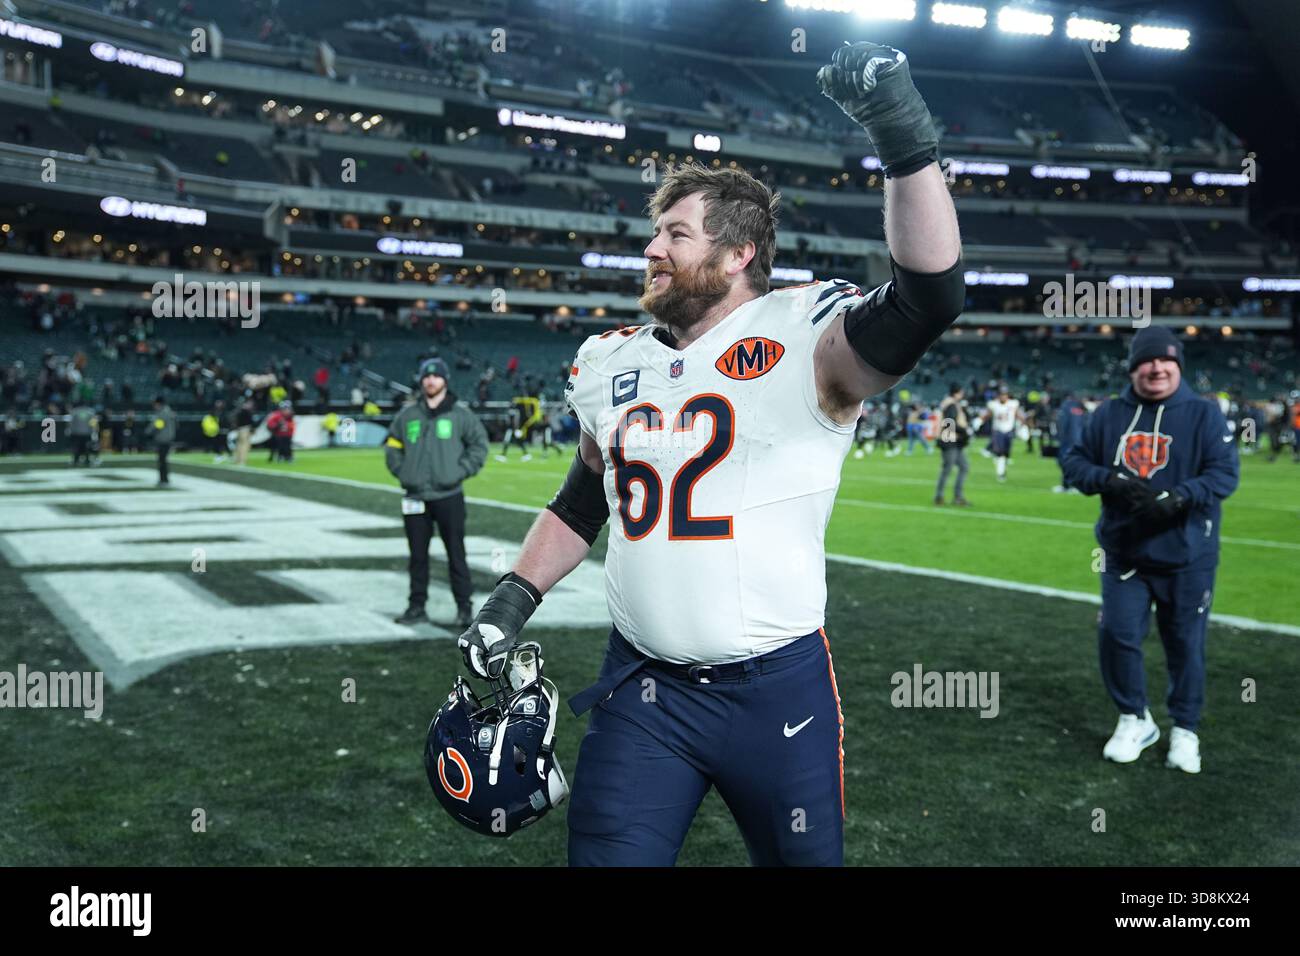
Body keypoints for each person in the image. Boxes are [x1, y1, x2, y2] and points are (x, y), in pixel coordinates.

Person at [451, 40, 963, 867]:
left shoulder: (806, 336)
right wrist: (512, 599)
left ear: (736, 256)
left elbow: (928, 297)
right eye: (655, 232)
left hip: (779, 694)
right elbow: (585, 500)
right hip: (641, 691)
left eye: (675, 234)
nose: (652, 249)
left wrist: (901, 135)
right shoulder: (607, 360)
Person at [1060, 326, 1239, 774]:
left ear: (1178, 365)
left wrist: (1181, 496)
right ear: (1134, 368)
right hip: (1124, 555)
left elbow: (1224, 474)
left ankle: (1185, 727)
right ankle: (1134, 718)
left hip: (1187, 557)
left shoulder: (1204, 414)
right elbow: (1075, 462)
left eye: (1166, 361)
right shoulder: (1108, 414)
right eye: (1147, 361)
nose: (1157, 368)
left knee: (1185, 644)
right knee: (1117, 635)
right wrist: (1109, 480)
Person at [386, 357, 489, 628]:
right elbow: (392, 445)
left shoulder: (460, 415)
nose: (430, 381)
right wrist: (404, 472)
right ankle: (416, 606)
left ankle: (464, 609)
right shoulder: (407, 415)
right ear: (421, 381)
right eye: (426, 377)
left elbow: (479, 446)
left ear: (445, 380)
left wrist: (459, 471)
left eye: (436, 376)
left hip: (449, 495)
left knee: (456, 553)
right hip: (415, 496)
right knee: (417, 556)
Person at [934, 383, 971, 506]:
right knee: (948, 469)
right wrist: (964, 431)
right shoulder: (951, 404)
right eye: (961, 392)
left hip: (954, 440)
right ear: (957, 392)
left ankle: (957, 496)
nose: (963, 394)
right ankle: (940, 497)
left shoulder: (949, 403)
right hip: (950, 440)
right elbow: (950, 422)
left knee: (964, 466)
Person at [978, 384, 1024, 483]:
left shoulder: (1013, 403)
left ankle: (1002, 467)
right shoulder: (993, 404)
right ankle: (1001, 473)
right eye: (1002, 394)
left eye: (1005, 394)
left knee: (1007, 453)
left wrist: (1023, 425)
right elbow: (987, 415)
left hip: (1009, 431)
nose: (1003, 396)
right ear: (998, 395)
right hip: (998, 431)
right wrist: (979, 421)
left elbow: (1018, 414)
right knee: (1000, 453)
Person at [1052, 391, 1087, 493]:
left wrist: (1058, 438)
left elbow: (1062, 425)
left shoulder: (1065, 407)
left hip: (1067, 441)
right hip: (1080, 441)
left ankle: (1067, 485)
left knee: (1065, 462)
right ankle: (1073, 485)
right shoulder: (1081, 408)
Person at [150, 396, 176, 486]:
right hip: (166, 439)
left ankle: (164, 480)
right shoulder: (168, 411)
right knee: (163, 460)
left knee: (162, 460)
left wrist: (148, 432)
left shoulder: (163, 413)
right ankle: (164, 479)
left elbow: (158, 425)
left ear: (158, 403)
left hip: (163, 440)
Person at [68, 399, 96, 467]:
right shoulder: (90, 412)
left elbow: (71, 423)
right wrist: (93, 431)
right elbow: (93, 423)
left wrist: (71, 431)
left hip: (76, 433)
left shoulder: (74, 412)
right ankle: (87, 460)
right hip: (87, 433)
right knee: (87, 447)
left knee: (77, 447)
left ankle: (75, 460)